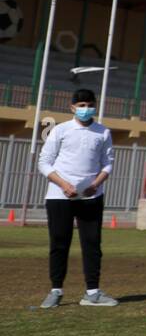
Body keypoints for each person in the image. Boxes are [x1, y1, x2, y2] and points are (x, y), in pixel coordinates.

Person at [37, 88, 117, 307]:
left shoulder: (103, 132)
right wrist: (63, 185)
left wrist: (95, 184)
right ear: (72, 107)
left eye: (89, 105)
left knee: (92, 244)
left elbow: (108, 163)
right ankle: (55, 291)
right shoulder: (61, 130)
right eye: (81, 105)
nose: (85, 109)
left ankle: (92, 293)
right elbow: (44, 162)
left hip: (91, 196)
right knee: (59, 243)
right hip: (59, 196)